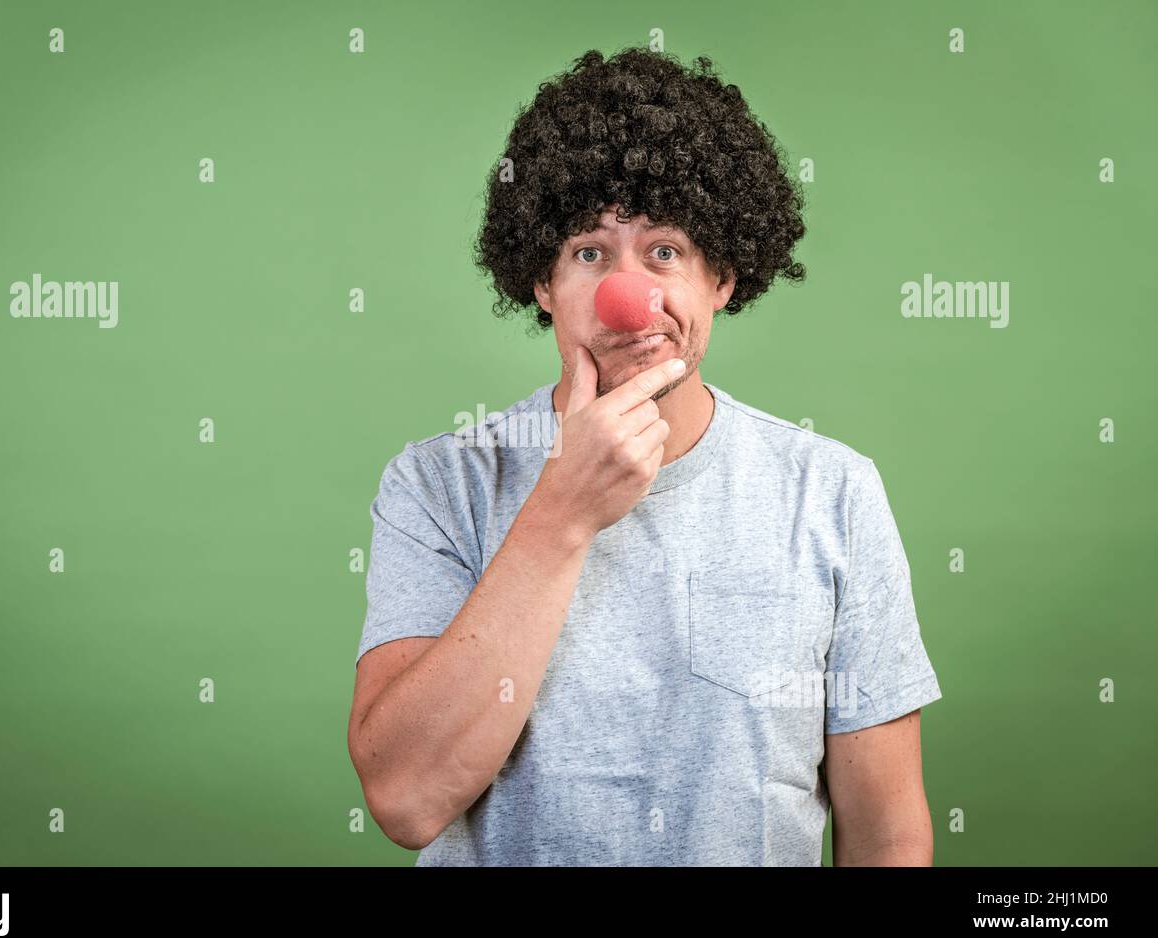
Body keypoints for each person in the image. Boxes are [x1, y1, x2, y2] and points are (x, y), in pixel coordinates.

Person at [347, 47, 942, 866]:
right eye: (590, 253)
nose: (632, 298)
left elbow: (886, 836)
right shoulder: (437, 484)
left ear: (722, 279)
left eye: (665, 251)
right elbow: (406, 799)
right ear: (542, 283)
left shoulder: (834, 492)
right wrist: (562, 511)